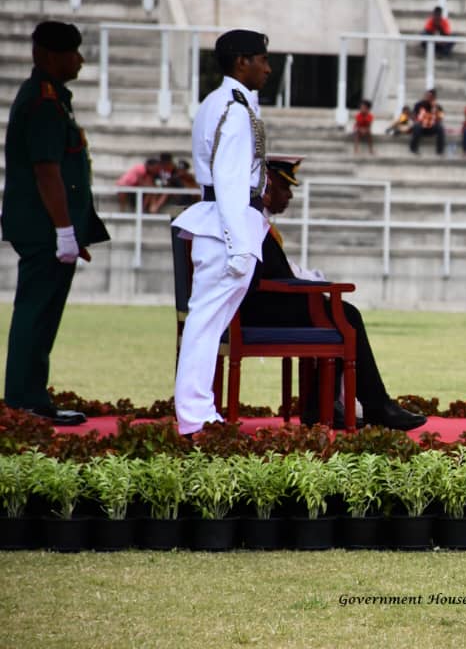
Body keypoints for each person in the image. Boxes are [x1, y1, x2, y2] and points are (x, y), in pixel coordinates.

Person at [240, 156, 427, 431]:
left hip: (261, 305)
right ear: (265, 189)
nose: (289, 195)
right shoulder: (253, 223)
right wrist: (316, 290)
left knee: (337, 313)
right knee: (345, 316)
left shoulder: (248, 219)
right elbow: (275, 280)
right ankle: (373, 406)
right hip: (261, 310)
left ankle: (324, 406)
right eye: (284, 187)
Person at [2, 20, 110, 426]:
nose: (79, 60)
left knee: (42, 314)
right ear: (48, 56)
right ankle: (24, 402)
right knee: (36, 313)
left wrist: (73, 230)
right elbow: (47, 171)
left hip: (47, 226)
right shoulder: (44, 102)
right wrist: (64, 230)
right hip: (44, 227)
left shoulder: (52, 99)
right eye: (72, 53)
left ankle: (31, 398)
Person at [172, 28, 272, 436]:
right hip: (224, 226)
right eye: (262, 59)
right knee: (205, 325)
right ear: (241, 62)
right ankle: (194, 416)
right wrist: (239, 246)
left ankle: (199, 412)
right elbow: (230, 182)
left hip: (220, 221)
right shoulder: (234, 108)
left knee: (207, 326)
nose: (267, 68)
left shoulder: (220, 101)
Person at [409, 88, 446, 155]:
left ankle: (440, 151)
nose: (428, 98)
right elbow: (412, 116)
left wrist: (435, 109)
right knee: (417, 126)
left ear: (434, 98)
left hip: (431, 128)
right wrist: (415, 119)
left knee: (440, 128)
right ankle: (413, 148)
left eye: (430, 97)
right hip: (420, 128)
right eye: (427, 96)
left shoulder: (438, 107)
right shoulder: (418, 105)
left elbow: (441, 118)